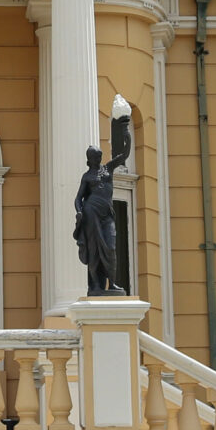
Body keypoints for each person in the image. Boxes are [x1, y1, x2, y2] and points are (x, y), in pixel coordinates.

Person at [71, 109, 133, 297]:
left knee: (111, 248)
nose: (97, 159)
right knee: (94, 251)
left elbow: (123, 156)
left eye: (99, 156)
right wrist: (79, 211)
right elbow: (78, 198)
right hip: (91, 214)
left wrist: (126, 134)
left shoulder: (108, 169)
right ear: (89, 159)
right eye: (94, 157)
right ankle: (96, 286)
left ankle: (112, 283)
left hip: (107, 216)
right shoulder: (87, 176)